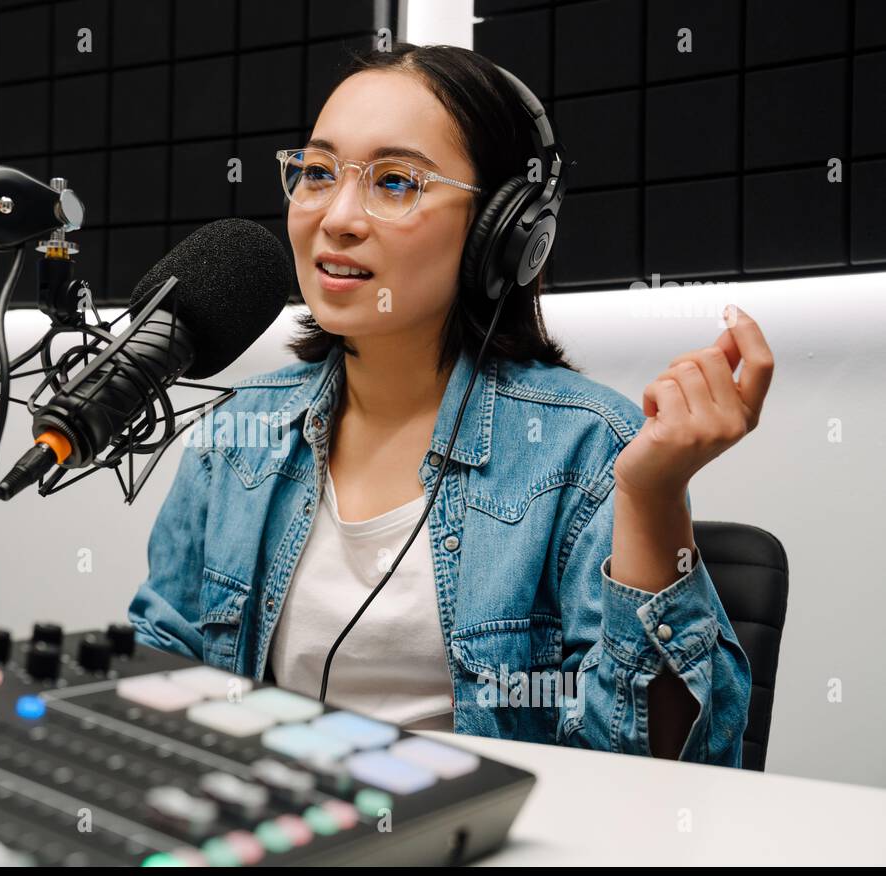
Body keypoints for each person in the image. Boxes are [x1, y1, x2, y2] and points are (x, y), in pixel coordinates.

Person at [129, 44, 772, 766]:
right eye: (315, 173)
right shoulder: (237, 434)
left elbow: (665, 776)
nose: (337, 216)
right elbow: (163, 675)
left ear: (506, 232)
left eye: (395, 181)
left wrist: (653, 497)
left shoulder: (588, 447)